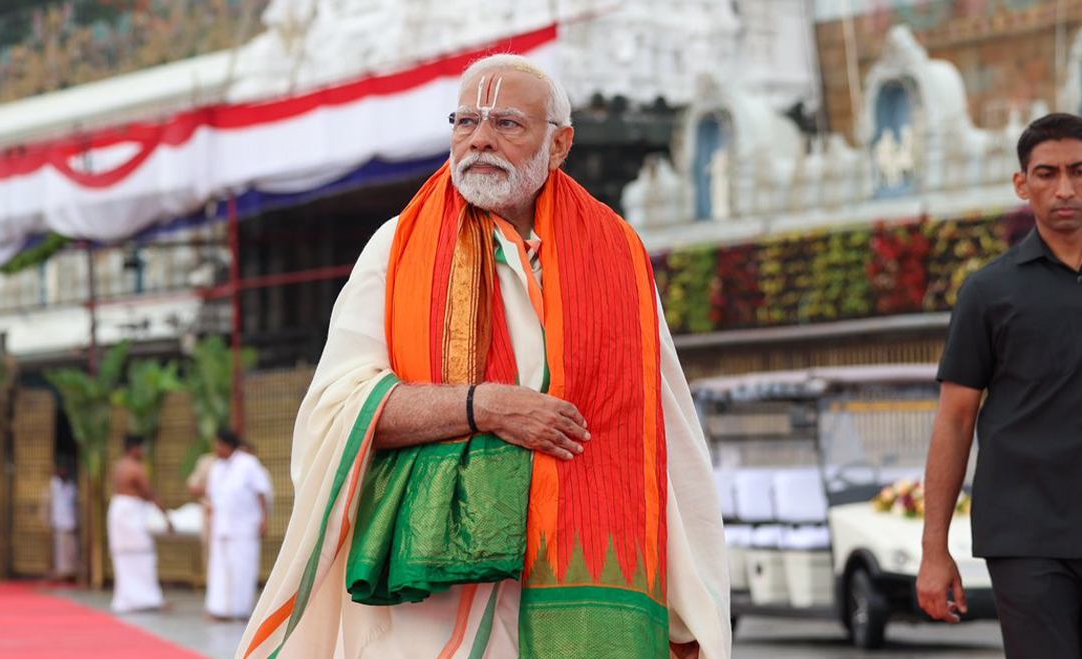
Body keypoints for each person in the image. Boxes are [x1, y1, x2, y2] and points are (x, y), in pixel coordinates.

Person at [237, 54, 730, 659]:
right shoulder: (396, 248)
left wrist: (694, 600)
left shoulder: (618, 254)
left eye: (506, 124)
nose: (479, 141)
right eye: (465, 121)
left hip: (580, 570)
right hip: (437, 592)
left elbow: (667, 430)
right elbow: (337, 413)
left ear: (559, 145)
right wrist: (483, 407)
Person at [917, 112, 1082, 658]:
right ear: (1021, 183)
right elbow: (955, 419)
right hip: (1028, 537)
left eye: (1079, 171)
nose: (1064, 188)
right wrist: (934, 549)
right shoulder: (987, 293)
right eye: (1047, 173)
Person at [205, 428, 272, 621]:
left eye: (218, 444)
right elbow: (213, 496)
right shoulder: (216, 468)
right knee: (220, 569)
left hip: (244, 526)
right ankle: (220, 610)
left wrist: (264, 519)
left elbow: (261, 493)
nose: (216, 448)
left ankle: (241, 610)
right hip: (222, 527)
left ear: (227, 445)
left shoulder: (248, 463)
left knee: (243, 569)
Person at [109, 435, 174, 613]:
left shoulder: (118, 466)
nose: (143, 452)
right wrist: (166, 515)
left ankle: (128, 599)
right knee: (142, 554)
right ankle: (147, 599)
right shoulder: (136, 468)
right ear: (133, 448)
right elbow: (149, 493)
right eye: (141, 448)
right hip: (131, 513)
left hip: (120, 511)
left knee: (126, 556)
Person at [45, 460, 78, 581]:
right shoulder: (53, 485)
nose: (64, 471)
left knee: (71, 550)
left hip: (70, 521)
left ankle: (70, 573)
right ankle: (60, 574)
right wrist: (46, 520)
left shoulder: (71, 486)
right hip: (58, 522)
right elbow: (46, 504)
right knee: (59, 551)